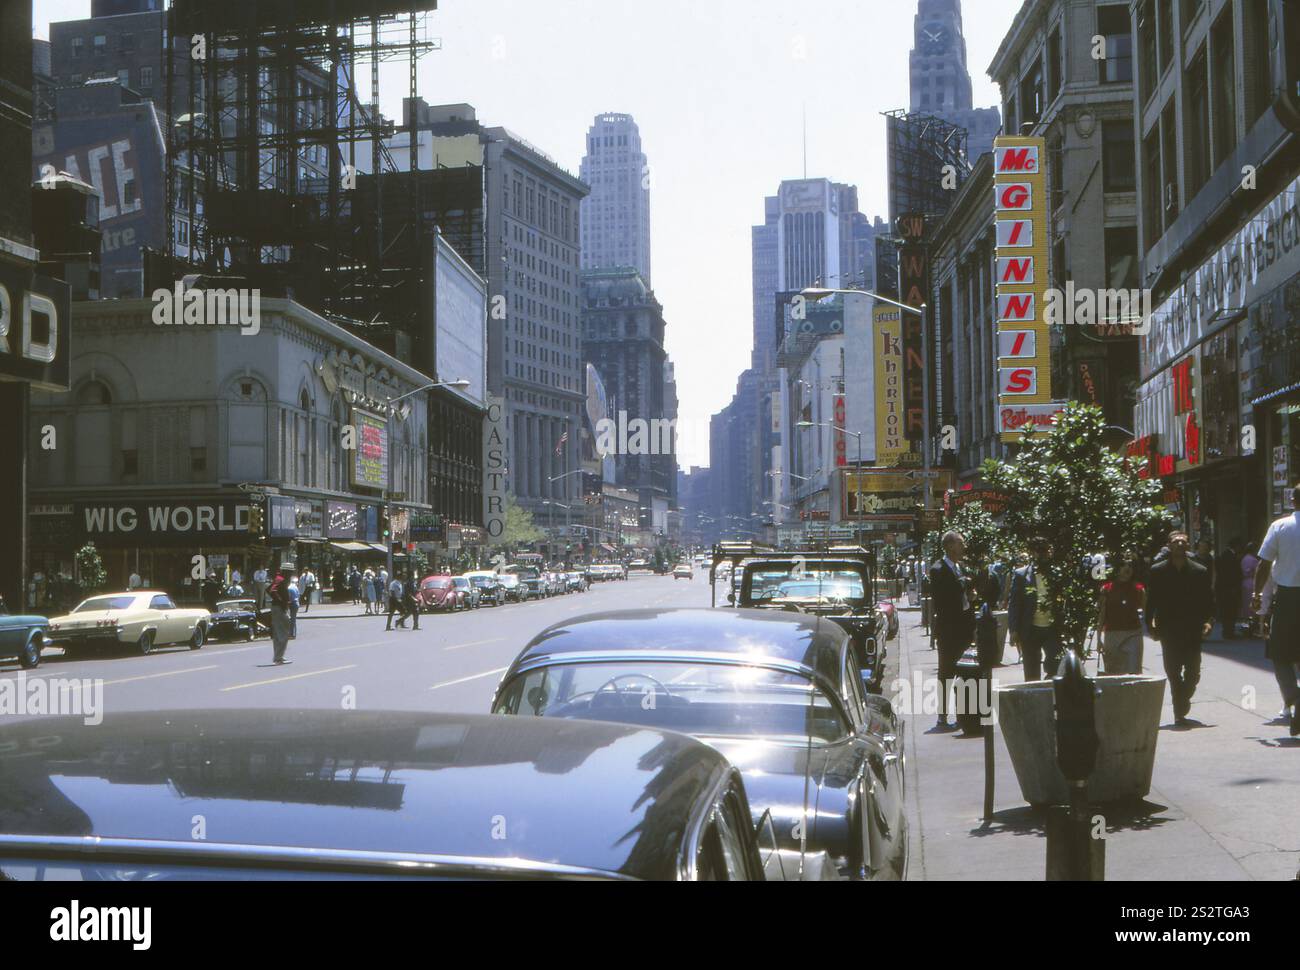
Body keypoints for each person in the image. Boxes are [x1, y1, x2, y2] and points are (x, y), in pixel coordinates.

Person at [1146, 531, 1214, 726]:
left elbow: (1209, 600)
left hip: (1192, 627)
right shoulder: (1158, 571)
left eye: (1183, 542)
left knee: (1193, 672)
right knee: (1173, 670)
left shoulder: (1199, 571)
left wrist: (1209, 621)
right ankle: (1179, 708)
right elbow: (1151, 600)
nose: (1180, 544)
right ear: (1169, 545)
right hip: (1168, 627)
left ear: (1188, 545)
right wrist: (1149, 623)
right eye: (1176, 542)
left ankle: (1184, 696)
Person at [1251, 484, 1300, 736]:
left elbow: (1264, 564)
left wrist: (1257, 595)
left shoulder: (1280, 526)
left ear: (1293, 501)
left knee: (1280, 654)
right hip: (1288, 596)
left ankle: (1294, 696)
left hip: (1289, 597)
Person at [929, 531, 975, 730]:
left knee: (965, 673)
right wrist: (962, 585)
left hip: (964, 628)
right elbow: (942, 600)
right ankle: (942, 716)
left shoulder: (960, 567)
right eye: (960, 543)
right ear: (949, 546)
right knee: (946, 673)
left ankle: (963, 715)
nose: (963, 546)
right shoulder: (938, 569)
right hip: (948, 630)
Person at [1008, 538, 1063, 682]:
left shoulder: (1056, 573)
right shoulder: (1021, 574)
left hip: (1052, 628)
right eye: (1039, 551)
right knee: (1031, 672)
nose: (1043, 555)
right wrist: (1013, 630)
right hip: (1030, 629)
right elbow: (1014, 603)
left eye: (1046, 551)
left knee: (1055, 669)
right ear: (1032, 553)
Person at [1097, 556, 1146, 674]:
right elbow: (1102, 615)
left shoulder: (1139, 589)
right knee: (1114, 673)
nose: (1127, 568)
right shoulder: (1106, 589)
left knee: (1134, 673)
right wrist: (1099, 639)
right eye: (1124, 565)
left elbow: (1145, 611)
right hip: (1112, 634)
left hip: (1133, 633)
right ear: (1117, 570)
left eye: (1130, 566)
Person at [1214, 540, 1242, 639]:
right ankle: (1229, 632)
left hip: (1223, 588)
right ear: (1236, 546)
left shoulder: (1223, 555)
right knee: (1230, 611)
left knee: (1226, 611)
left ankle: (1227, 631)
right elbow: (1231, 574)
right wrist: (1234, 587)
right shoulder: (1230, 557)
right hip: (1229, 588)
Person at [267, 563, 294, 665]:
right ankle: (278, 657)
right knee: (283, 633)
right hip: (279, 608)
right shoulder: (280, 579)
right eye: (290, 572)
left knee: (278, 634)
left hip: (278, 607)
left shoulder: (280, 579)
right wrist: (281, 601)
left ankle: (278, 657)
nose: (291, 574)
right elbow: (271, 590)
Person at [1240, 547, 1262, 637]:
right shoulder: (1254, 560)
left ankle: (1245, 627)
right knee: (1253, 606)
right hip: (1252, 582)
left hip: (1244, 582)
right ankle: (1252, 628)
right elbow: (1258, 571)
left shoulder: (1244, 558)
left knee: (1245, 606)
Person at [287, 573, 300, 639]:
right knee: (293, 619)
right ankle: (293, 633)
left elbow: (289, 598)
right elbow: (298, 595)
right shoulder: (295, 587)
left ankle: (291, 633)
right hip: (296, 603)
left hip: (292, 604)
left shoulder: (289, 588)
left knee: (291, 619)